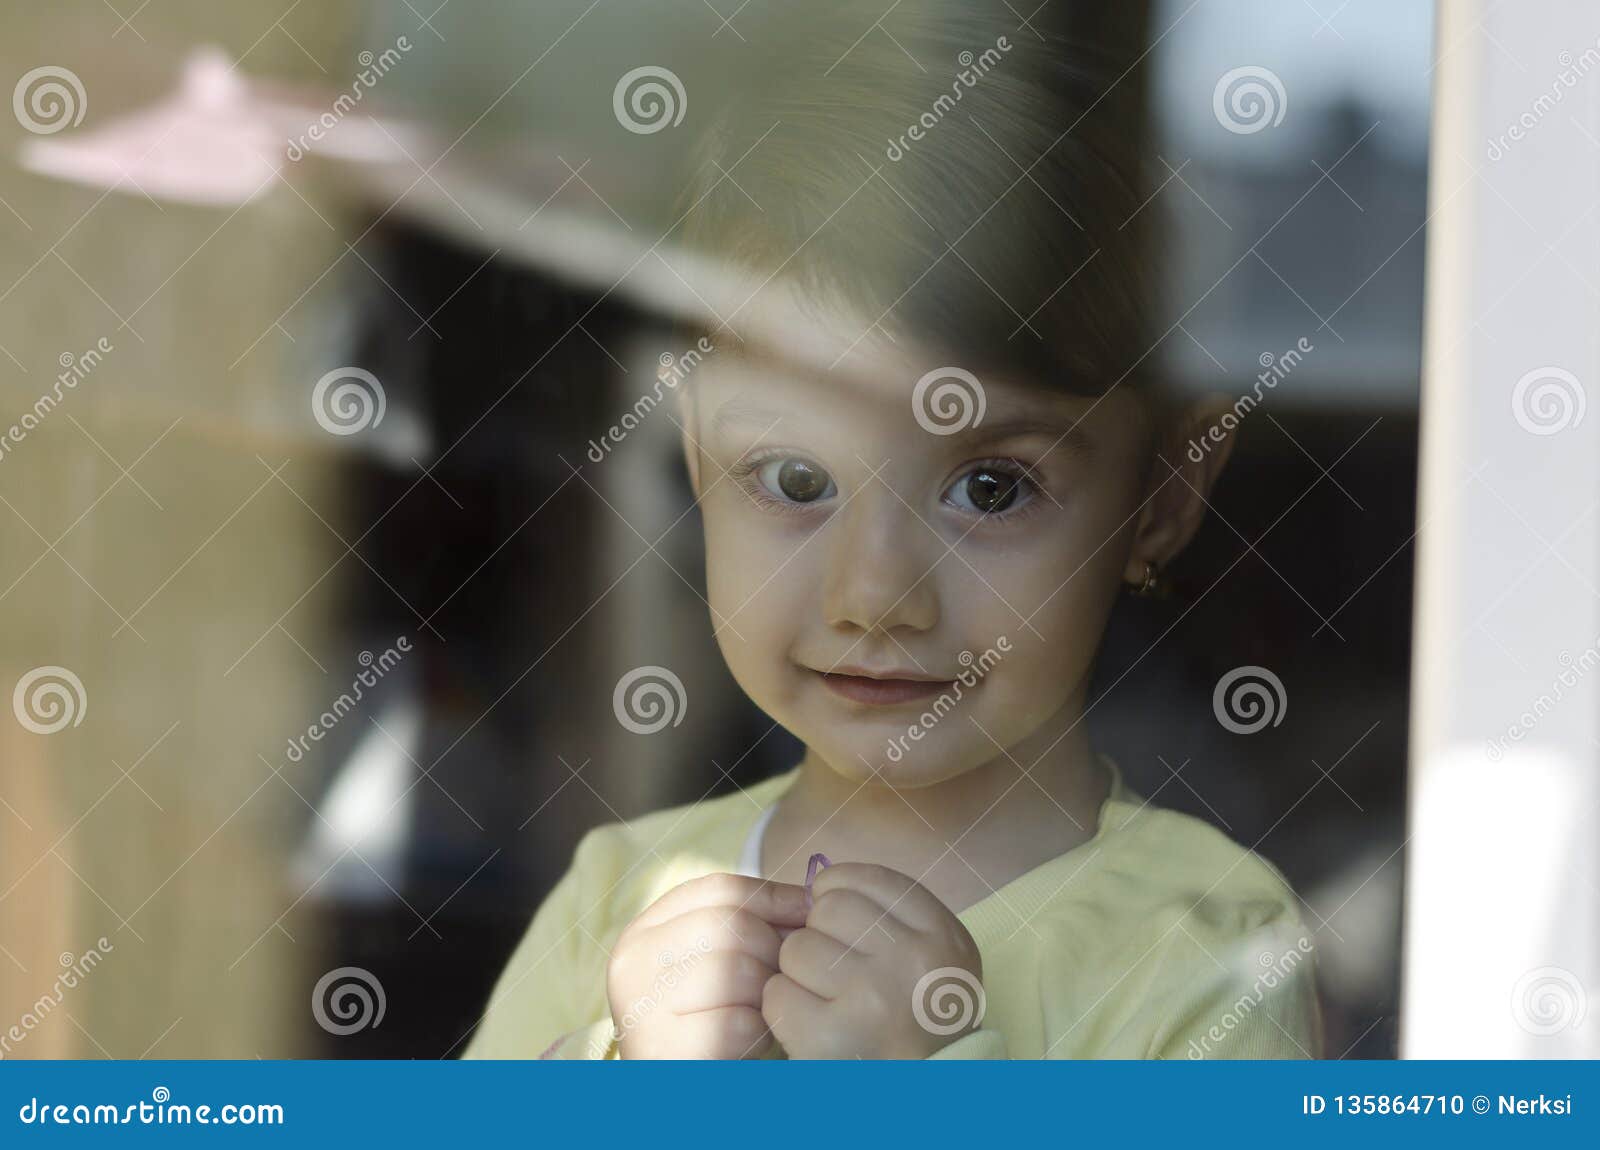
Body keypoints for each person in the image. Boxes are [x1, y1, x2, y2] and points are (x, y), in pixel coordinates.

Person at [465, 1, 1321, 1060]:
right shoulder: (620, 897)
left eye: (993, 489)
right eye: (792, 477)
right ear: (695, 454)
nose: (873, 593)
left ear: (1161, 497)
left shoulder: (1206, 944)